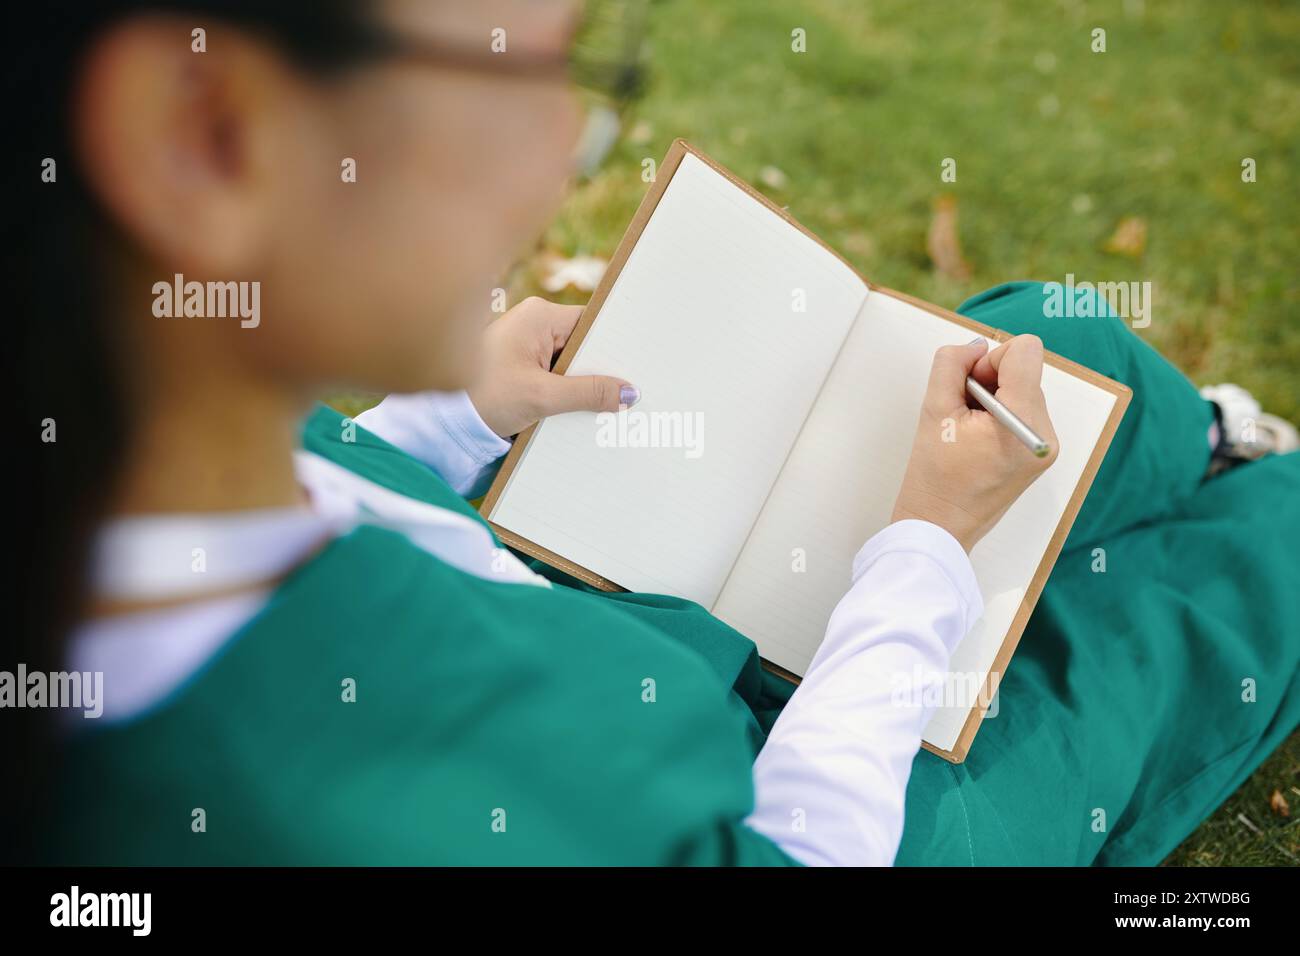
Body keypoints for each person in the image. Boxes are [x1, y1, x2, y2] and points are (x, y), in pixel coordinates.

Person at [9, 0, 1297, 866]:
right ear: (203, 142)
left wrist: (450, 421)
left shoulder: (149, 445)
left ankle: (1206, 446)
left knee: (1059, 346)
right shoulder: (338, 804)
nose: (567, 144)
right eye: (521, 69)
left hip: (659, 633)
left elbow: (317, 479)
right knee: (1187, 609)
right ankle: (1245, 494)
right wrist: (919, 554)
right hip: (856, 806)